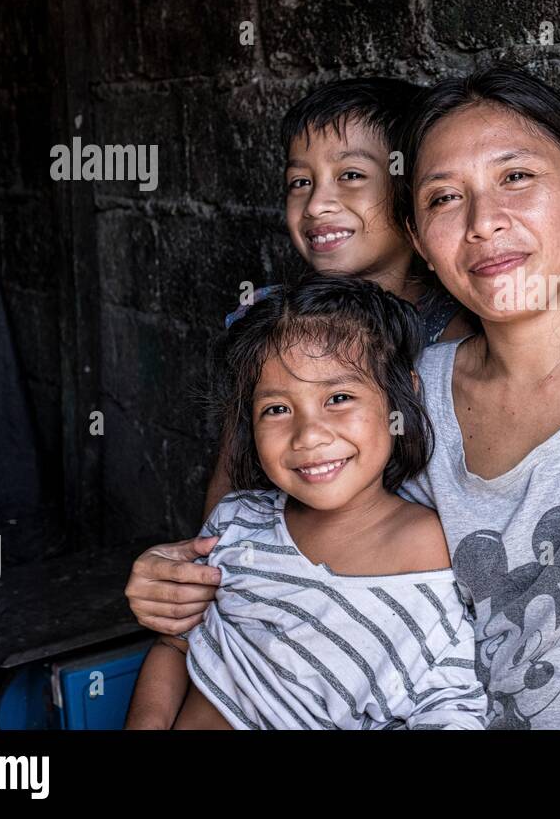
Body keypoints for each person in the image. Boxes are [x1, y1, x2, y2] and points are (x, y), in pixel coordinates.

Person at [127, 64, 560, 729]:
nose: (485, 223)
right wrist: (180, 582)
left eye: (515, 177)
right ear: (418, 240)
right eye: (443, 198)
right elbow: (298, 558)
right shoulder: (409, 394)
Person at [124, 274, 489, 730]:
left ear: (403, 396)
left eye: (338, 397)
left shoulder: (432, 551)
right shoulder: (237, 522)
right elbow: (174, 644)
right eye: (276, 409)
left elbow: (449, 707)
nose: (309, 435)